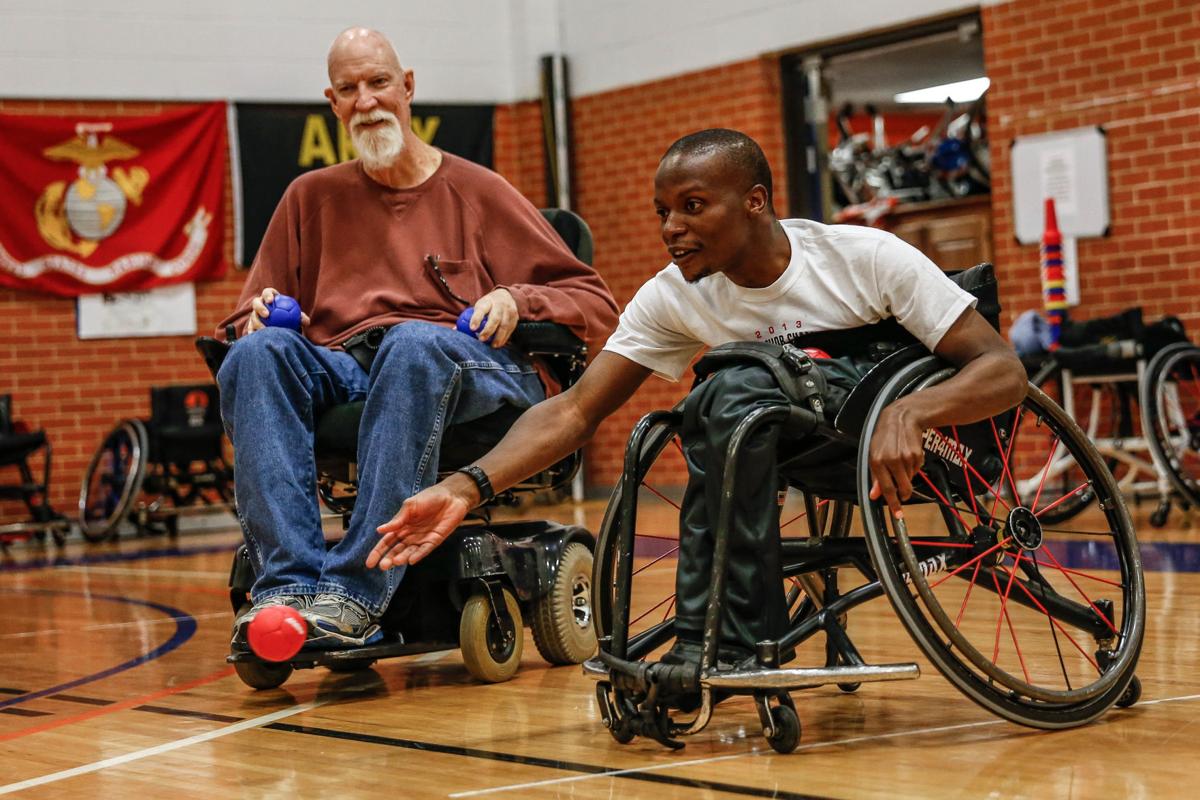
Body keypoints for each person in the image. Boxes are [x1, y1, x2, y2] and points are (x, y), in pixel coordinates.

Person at [366, 128, 1027, 665]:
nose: (671, 228)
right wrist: (464, 488)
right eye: (663, 212)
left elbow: (1004, 370)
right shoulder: (674, 296)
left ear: (755, 202)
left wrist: (911, 410)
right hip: (794, 445)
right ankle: (712, 634)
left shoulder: (864, 257)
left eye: (692, 206)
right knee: (716, 396)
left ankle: (734, 641)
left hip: (922, 442)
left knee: (730, 389)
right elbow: (575, 409)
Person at [217, 27, 618, 649]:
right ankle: (286, 592)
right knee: (256, 354)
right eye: (349, 89)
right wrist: (257, 315)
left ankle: (353, 594)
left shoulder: (479, 190)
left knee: (411, 343)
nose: (366, 100)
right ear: (333, 103)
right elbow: (247, 314)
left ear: (406, 87)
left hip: (469, 364)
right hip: (350, 364)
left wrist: (518, 299)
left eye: (378, 82)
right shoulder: (309, 197)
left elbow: (594, 301)